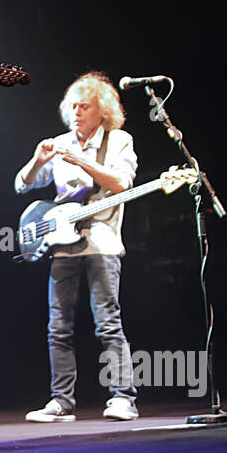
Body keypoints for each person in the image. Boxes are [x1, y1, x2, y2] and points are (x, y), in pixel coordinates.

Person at [14, 71, 139, 423]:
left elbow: (121, 183)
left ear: (102, 110)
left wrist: (83, 162)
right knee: (59, 327)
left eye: (84, 106)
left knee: (107, 323)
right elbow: (21, 185)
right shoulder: (58, 142)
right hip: (62, 245)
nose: (76, 112)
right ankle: (61, 401)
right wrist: (39, 159)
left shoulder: (118, 141)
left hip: (102, 243)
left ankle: (122, 397)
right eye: (72, 106)